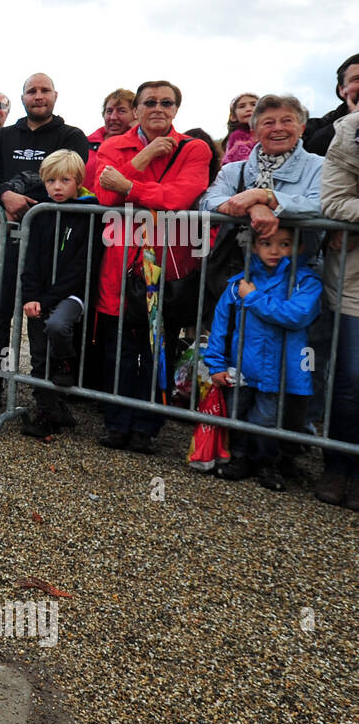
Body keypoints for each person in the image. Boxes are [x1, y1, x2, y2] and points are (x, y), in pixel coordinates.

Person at [92, 79, 212, 454]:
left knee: (158, 348)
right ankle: (117, 423)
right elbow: (103, 195)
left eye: (166, 102)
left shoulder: (194, 149)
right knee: (120, 350)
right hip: (120, 262)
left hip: (166, 264)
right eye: (150, 102)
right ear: (138, 109)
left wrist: (130, 186)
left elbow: (179, 198)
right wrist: (142, 161)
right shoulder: (114, 145)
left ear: (176, 109)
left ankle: (147, 426)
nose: (158, 107)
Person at [0, 72, 89, 405]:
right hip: (4, 235)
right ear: (22, 98)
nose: (38, 96)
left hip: (51, 245)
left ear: (55, 95)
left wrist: (22, 203)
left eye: (44, 90)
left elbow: (67, 180)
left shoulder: (72, 136)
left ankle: (47, 398)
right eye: (31, 91)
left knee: (43, 319)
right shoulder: (4, 135)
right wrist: (4, 196)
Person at [204, 226, 322, 490]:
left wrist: (254, 298)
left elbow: (296, 315)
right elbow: (220, 325)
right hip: (241, 367)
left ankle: (267, 462)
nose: (275, 251)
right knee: (237, 413)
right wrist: (215, 363)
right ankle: (240, 458)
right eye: (267, 244)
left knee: (267, 418)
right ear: (255, 246)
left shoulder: (305, 282)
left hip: (279, 370)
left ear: (299, 248)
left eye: (285, 244)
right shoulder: (240, 282)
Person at [18, 150, 97, 436]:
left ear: (78, 181)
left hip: (71, 295)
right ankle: (48, 413)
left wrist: (48, 298)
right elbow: (31, 260)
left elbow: (81, 267)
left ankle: (66, 362)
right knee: (38, 354)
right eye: (51, 181)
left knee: (57, 326)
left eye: (65, 180)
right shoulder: (41, 214)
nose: (57, 187)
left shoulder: (89, 213)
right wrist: (30, 296)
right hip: (40, 296)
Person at [202, 95, 323, 243]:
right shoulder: (232, 171)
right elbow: (207, 201)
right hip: (238, 263)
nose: (278, 128)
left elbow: (321, 205)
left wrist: (267, 196)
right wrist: (253, 207)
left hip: (301, 263)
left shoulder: (321, 166)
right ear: (254, 134)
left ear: (301, 129)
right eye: (268, 123)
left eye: (287, 121)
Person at [318, 107, 359, 507]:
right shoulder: (351, 129)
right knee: (351, 377)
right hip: (354, 280)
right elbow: (333, 201)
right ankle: (340, 463)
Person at [304, 54, 359, 156]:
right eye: (357, 79)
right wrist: (351, 120)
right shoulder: (315, 127)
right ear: (341, 90)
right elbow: (312, 149)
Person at [84, 89, 136, 189]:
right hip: (82, 203)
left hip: (127, 204)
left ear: (136, 114)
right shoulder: (85, 143)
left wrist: (136, 131)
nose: (113, 117)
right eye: (109, 111)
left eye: (121, 111)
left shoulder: (144, 146)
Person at [222, 93, 258, 166]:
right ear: (233, 116)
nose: (249, 109)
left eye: (254, 105)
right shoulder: (237, 136)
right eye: (242, 106)